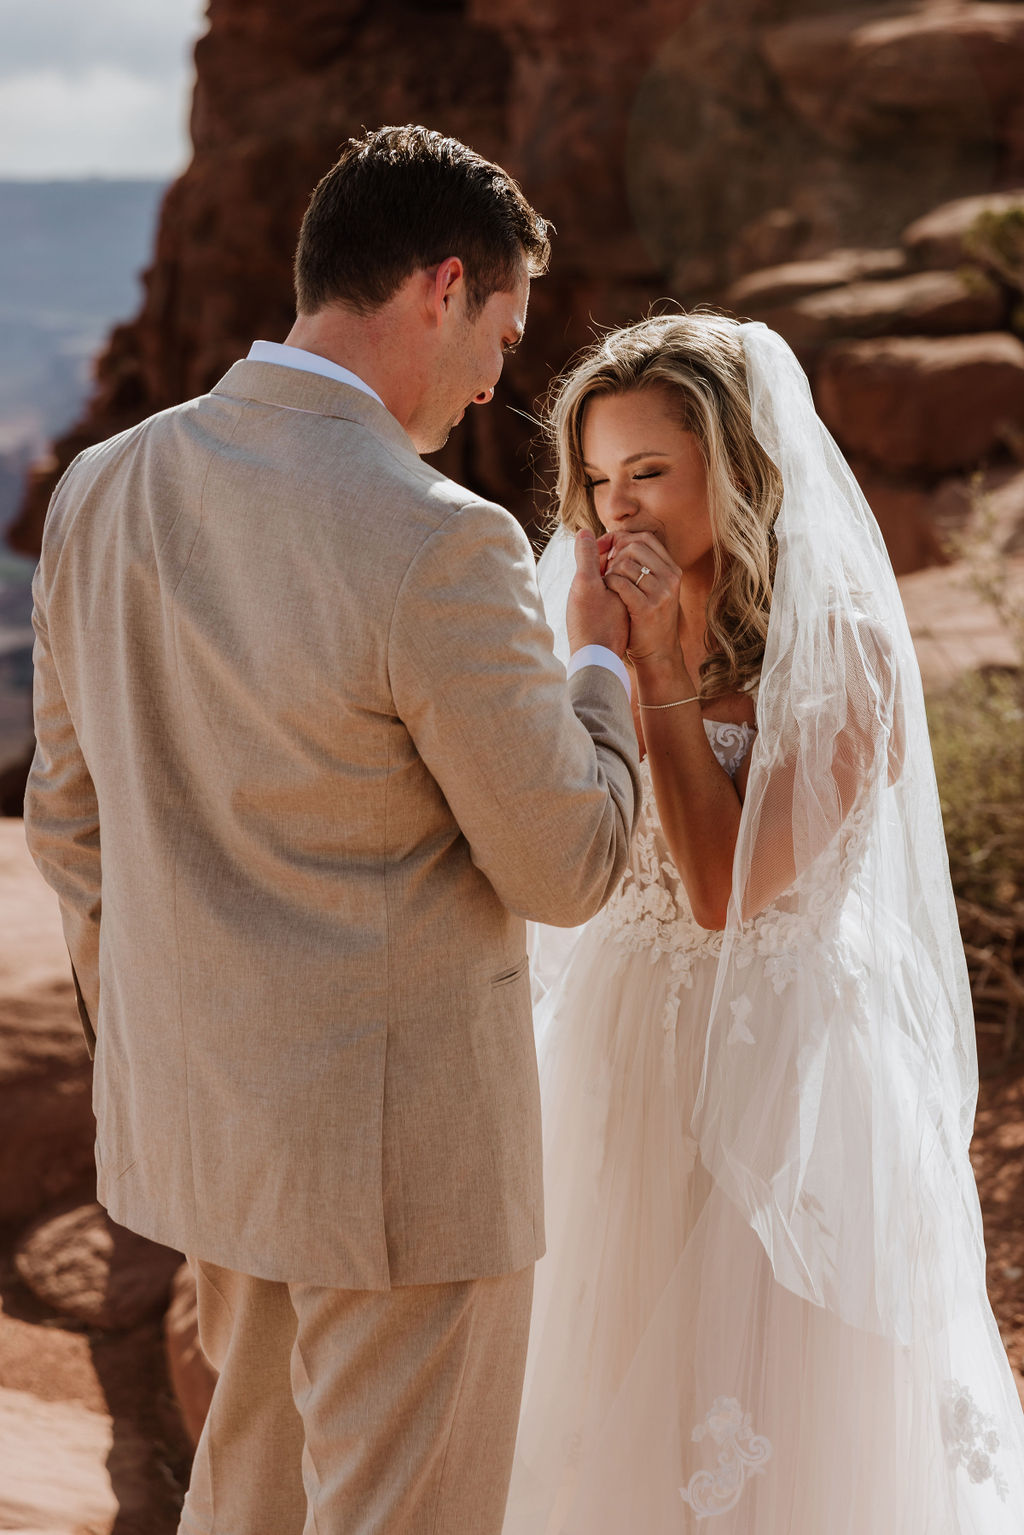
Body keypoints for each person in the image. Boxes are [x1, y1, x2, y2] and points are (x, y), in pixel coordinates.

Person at [23, 125, 642, 1535]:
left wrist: (181, 1030)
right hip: (405, 1172)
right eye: (502, 325)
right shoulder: (439, 536)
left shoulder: (102, 486)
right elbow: (568, 863)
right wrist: (597, 663)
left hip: (210, 1134)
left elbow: (68, 821)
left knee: (250, 1495)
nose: (501, 372)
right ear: (439, 287)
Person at [502, 312, 1024, 1533]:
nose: (613, 510)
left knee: (786, 1419)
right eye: (593, 479)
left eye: (648, 473)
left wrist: (664, 673)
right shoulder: (579, 631)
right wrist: (591, 658)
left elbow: (725, 891)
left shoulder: (842, 657)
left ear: (734, 471)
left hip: (786, 1068)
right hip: (615, 1057)